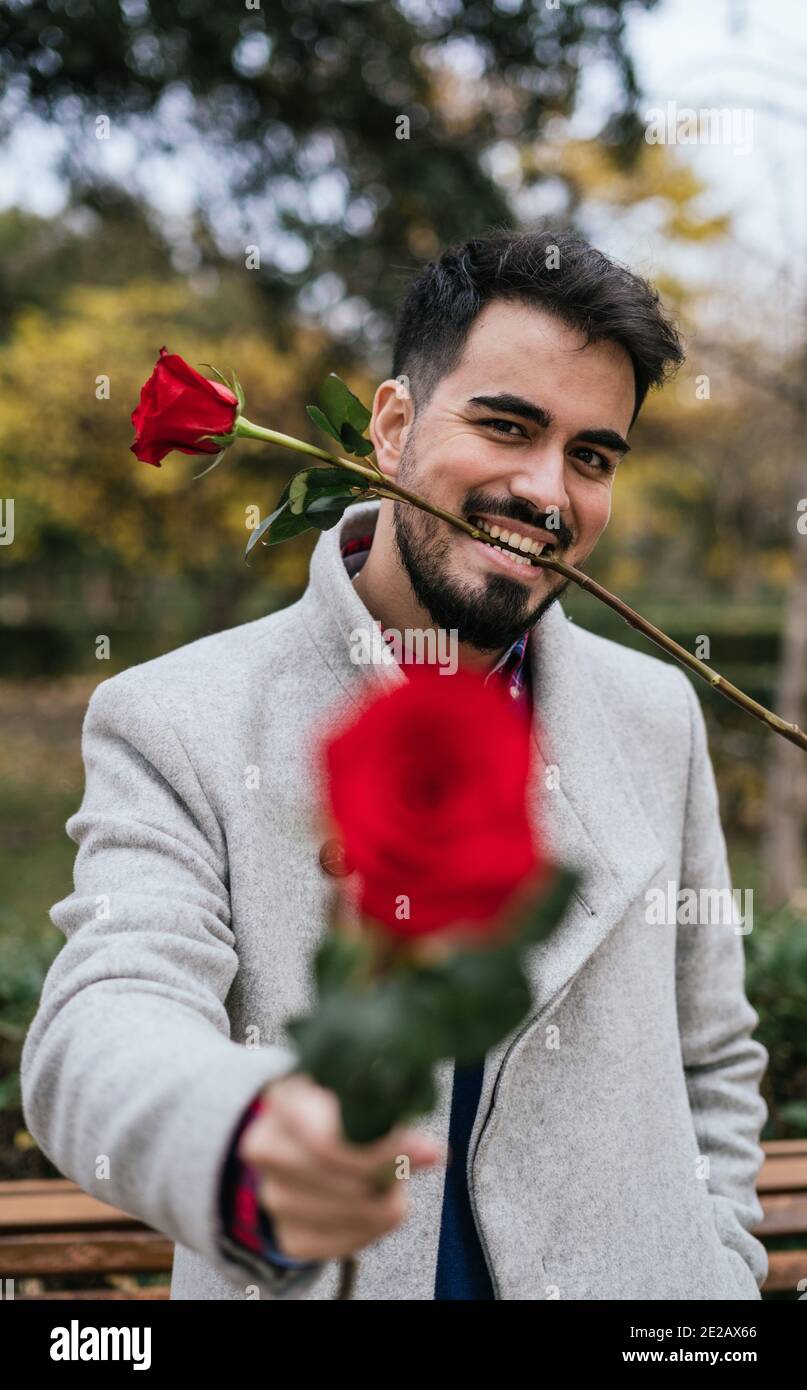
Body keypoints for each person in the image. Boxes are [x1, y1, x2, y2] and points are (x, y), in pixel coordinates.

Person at [20, 228, 769, 1300]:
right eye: (506, 425)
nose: (547, 492)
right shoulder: (175, 718)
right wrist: (242, 1141)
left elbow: (715, 1056)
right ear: (391, 426)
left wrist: (720, 1281)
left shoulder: (657, 713)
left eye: (592, 455)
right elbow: (101, 1017)